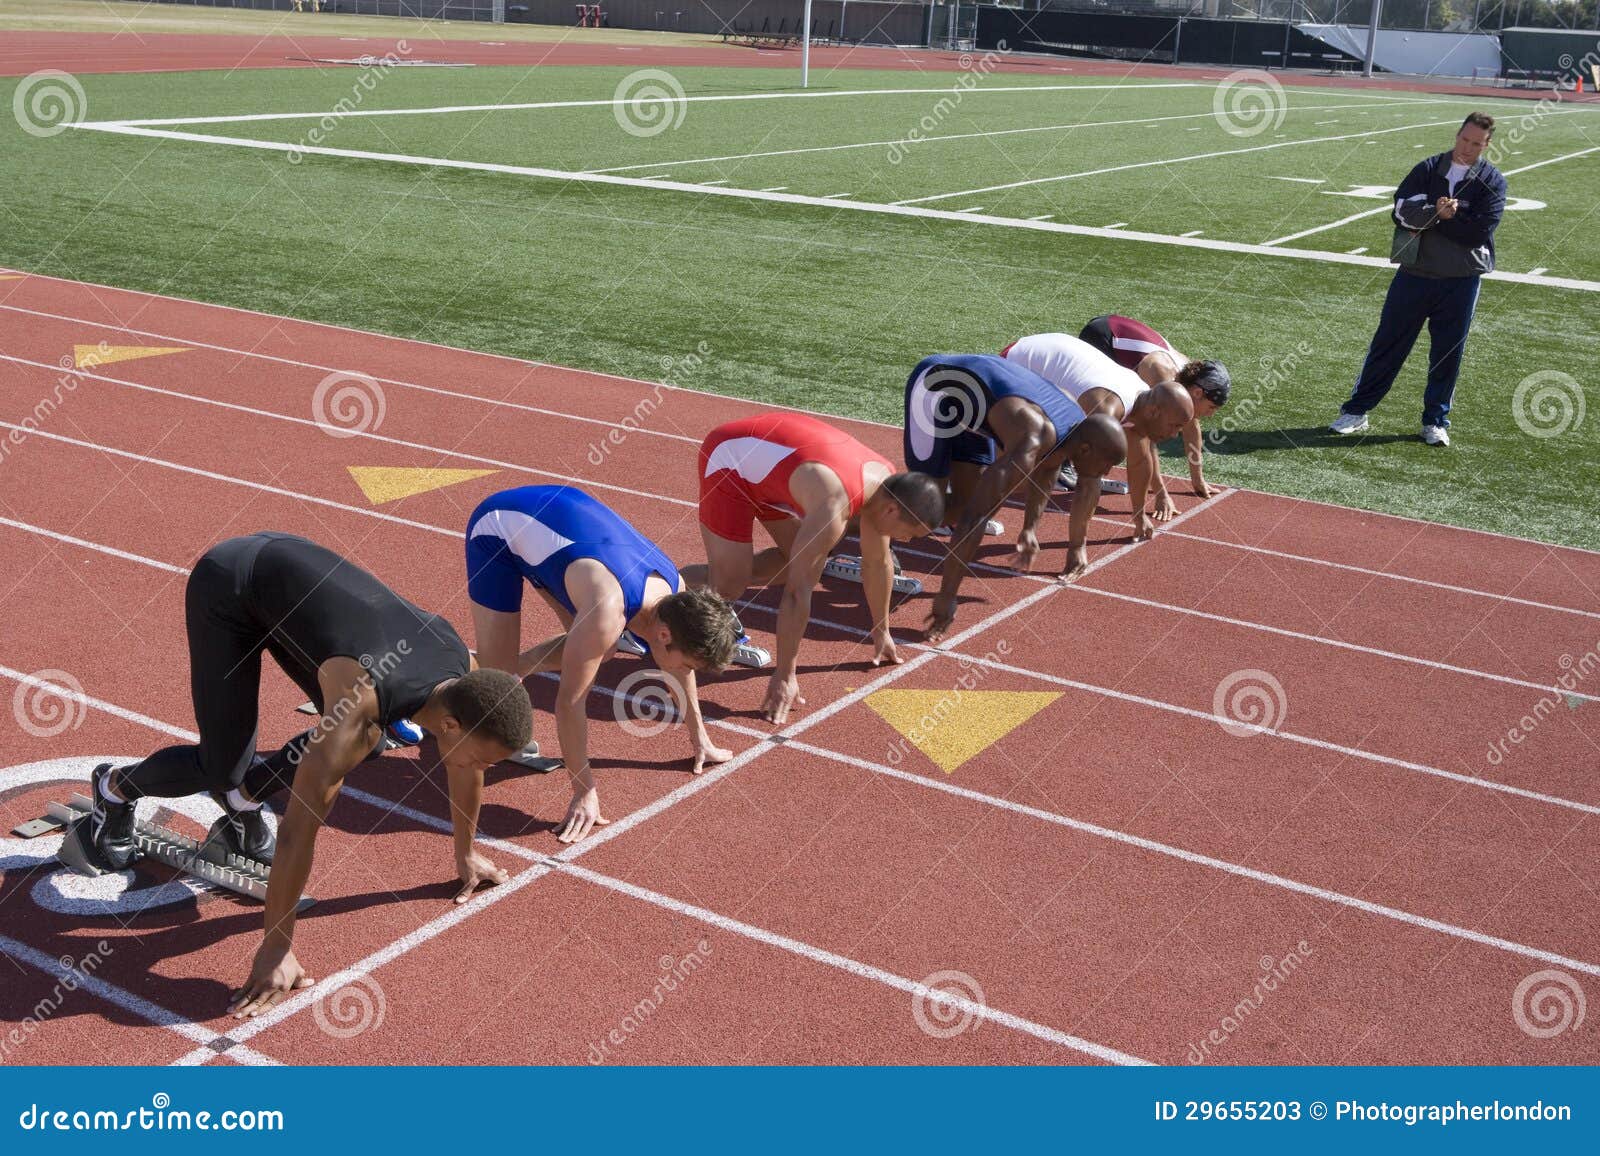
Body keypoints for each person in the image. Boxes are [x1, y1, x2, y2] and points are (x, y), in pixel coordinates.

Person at [60, 531, 533, 1017]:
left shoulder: (468, 678)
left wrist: (466, 852)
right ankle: (114, 789)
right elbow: (296, 835)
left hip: (297, 598)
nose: (482, 772)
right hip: (233, 585)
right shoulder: (360, 704)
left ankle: (242, 801)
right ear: (449, 725)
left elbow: (465, 766)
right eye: (483, 759)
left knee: (369, 743)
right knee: (221, 766)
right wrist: (276, 946)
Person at [466, 485, 740, 840]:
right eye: (687, 664)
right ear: (664, 635)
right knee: (496, 680)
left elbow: (677, 666)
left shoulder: (677, 595)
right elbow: (569, 703)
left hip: (563, 527)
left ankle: (517, 665)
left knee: (600, 651)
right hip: (501, 527)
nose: (684, 673)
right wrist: (584, 790)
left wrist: (700, 738)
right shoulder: (606, 613)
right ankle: (435, 675)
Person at [683, 413, 944, 725]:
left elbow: (878, 562)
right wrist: (784, 675)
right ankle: (655, 590)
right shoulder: (835, 506)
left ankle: (704, 578)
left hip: (768, 470)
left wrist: (881, 631)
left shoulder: (885, 488)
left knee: (798, 562)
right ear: (892, 509)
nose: (905, 540)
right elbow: (797, 593)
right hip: (731, 459)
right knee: (730, 586)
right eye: (909, 533)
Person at [903, 353, 1126, 640]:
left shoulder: (1073, 425)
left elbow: (1049, 468)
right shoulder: (1031, 439)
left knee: (957, 507)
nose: (1106, 472)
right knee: (925, 508)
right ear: (1085, 450)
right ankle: (862, 518)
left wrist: (1030, 529)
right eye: (1106, 464)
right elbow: (977, 517)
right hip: (936, 386)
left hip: (976, 404)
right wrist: (947, 596)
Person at [1329, 112, 1505, 447]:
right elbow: (1399, 211)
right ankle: (1356, 410)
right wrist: (1435, 214)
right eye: (1464, 139)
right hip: (1414, 275)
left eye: (1476, 144)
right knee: (1387, 344)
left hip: (1461, 281)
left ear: (1487, 144)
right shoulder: (1427, 169)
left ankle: (1435, 421)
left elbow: (1478, 232)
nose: (1467, 148)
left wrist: (1442, 218)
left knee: (1447, 354)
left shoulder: (1492, 181)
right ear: (1457, 134)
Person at [1001, 333, 1193, 542]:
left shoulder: (1143, 403)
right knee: (1018, 458)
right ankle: (966, 513)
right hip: (1015, 362)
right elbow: (1088, 482)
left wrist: (1138, 515)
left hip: (1049, 358)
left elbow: (1140, 461)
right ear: (1154, 412)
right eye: (1175, 426)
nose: (1174, 435)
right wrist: (1077, 548)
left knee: (1043, 457)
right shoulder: (1106, 409)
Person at [1075, 314, 1232, 510]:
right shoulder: (1163, 377)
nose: (1210, 415)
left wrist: (1198, 479)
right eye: (1211, 408)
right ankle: (1065, 463)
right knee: (1099, 408)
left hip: (1116, 329)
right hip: (1102, 337)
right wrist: (1160, 494)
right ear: (1198, 392)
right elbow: (1145, 434)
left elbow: (1192, 426)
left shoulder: (1189, 382)